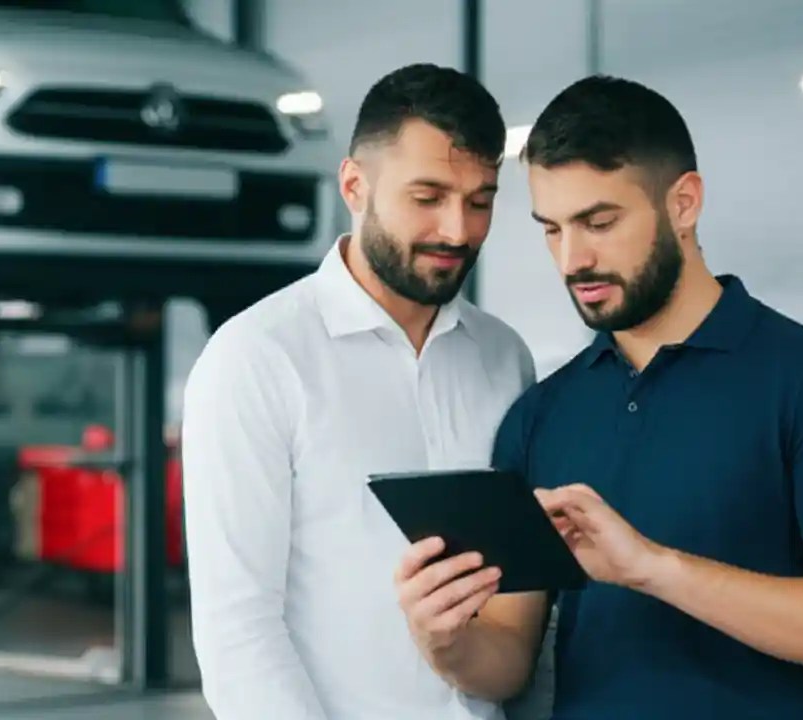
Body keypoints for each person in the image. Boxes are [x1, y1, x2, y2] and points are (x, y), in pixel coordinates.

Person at [393, 75, 803, 719]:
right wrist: (445, 642)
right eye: (551, 229)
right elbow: (509, 658)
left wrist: (653, 569)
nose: (572, 259)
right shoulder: (541, 414)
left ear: (684, 204)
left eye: (599, 221)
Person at [180, 62, 536, 720]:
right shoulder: (256, 359)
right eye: (427, 197)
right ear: (354, 185)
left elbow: (511, 598)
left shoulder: (504, 358)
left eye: (480, 200)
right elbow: (238, 633)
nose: (458, 230)